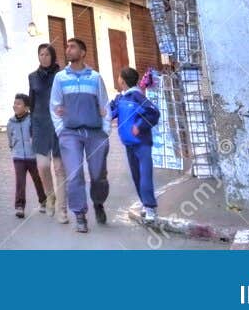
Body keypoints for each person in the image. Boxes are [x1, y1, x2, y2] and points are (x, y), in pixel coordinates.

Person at [50, 36, 110, 233]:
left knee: (98, 174)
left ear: (82, 53)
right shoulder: (60, 78)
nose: (68, 50)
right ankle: (80, 215)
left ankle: (98, 202)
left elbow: (104, 105)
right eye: (67, 47)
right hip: (70, 134)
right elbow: (55, 106)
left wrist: (105, 130)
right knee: (74, 174)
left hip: (95, 133)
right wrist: (61, 130)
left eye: (72, 47)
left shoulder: (95, 77)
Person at [110, 66, 162, 225]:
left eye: (119, 77)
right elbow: (109, 112)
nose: (118, 79)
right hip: (129, 144)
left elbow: (153, 112)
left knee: (145, 175)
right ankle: (145, 204)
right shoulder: (121, 98)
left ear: (123, 81)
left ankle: (150, 207)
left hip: (142, 143)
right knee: (136, 176)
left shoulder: (137, 97)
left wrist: (139, 126)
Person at [27, 43, 67, 223]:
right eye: (40, 54)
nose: (43, 57)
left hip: (58, 125)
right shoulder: (32, 77)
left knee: (59, 168)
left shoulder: (61, 75)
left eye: (46, 54)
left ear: (53, 56)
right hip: (40, 125)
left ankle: (62, 210)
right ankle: (50, 196)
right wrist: (31, 128)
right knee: (42, 166)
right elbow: (32, 102)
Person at [6, 93, 47, 217]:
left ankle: (43, 201)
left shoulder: (32, 120)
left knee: (37, 179)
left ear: (27, 107)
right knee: (20, 181)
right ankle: (19, 206)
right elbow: (10, 138)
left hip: (32, 156)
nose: (15, 106)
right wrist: (13, 147)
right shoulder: (11, 122)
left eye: (19, 104)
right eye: (14, 103)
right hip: (18, 157)